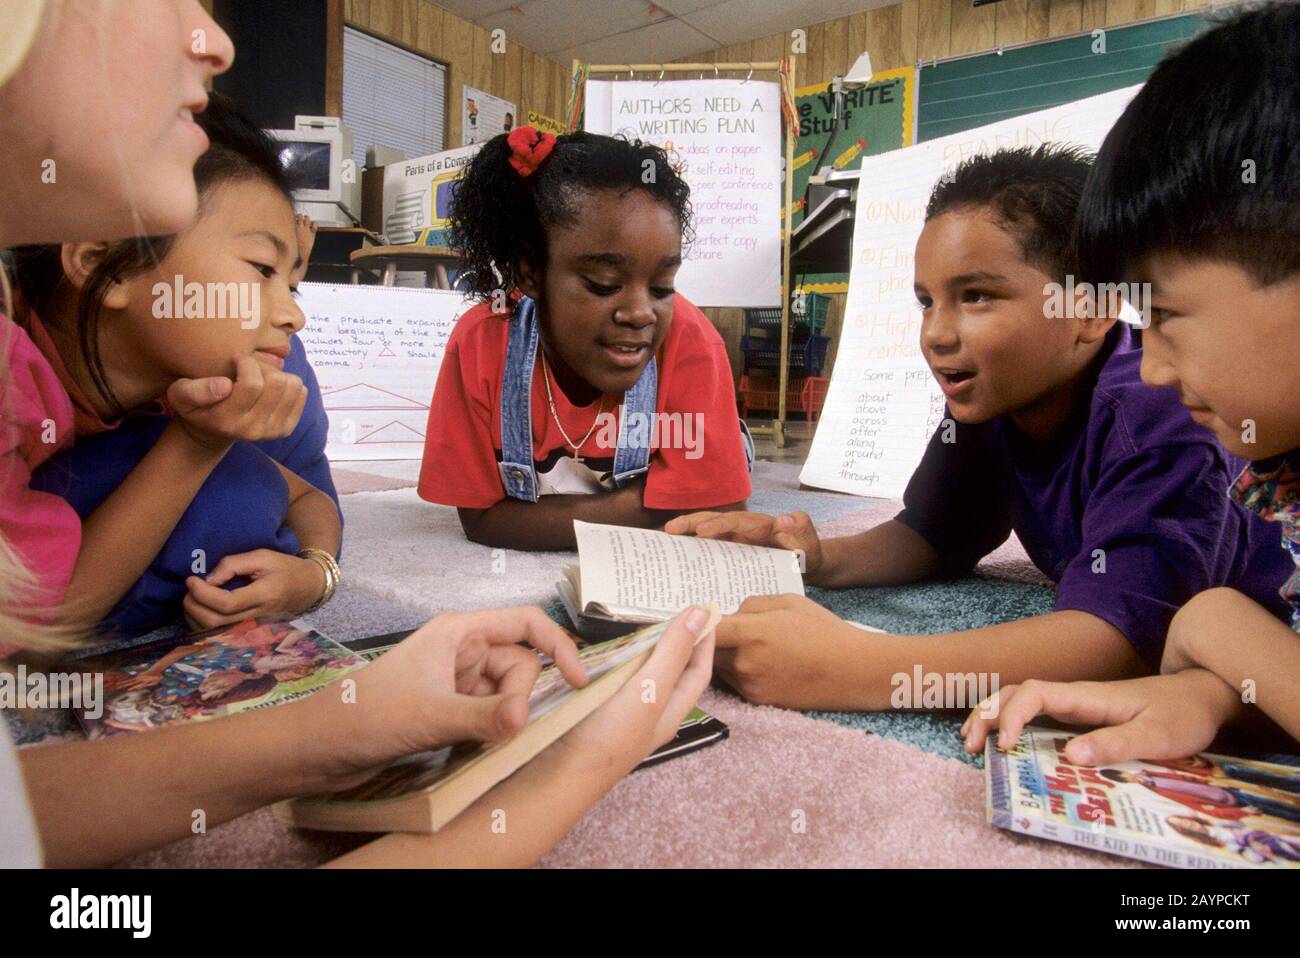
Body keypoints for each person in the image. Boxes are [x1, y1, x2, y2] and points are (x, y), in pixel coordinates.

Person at [417, 127, 752, 550]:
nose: (640, 313)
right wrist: (657, 504)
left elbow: (720, 510)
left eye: (663, 285)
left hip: (718, 431)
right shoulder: (481, 345)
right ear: (531, 274)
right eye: (603, 283)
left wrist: (531, 516)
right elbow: (481, 520)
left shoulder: (691, 343)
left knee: (732, 456)